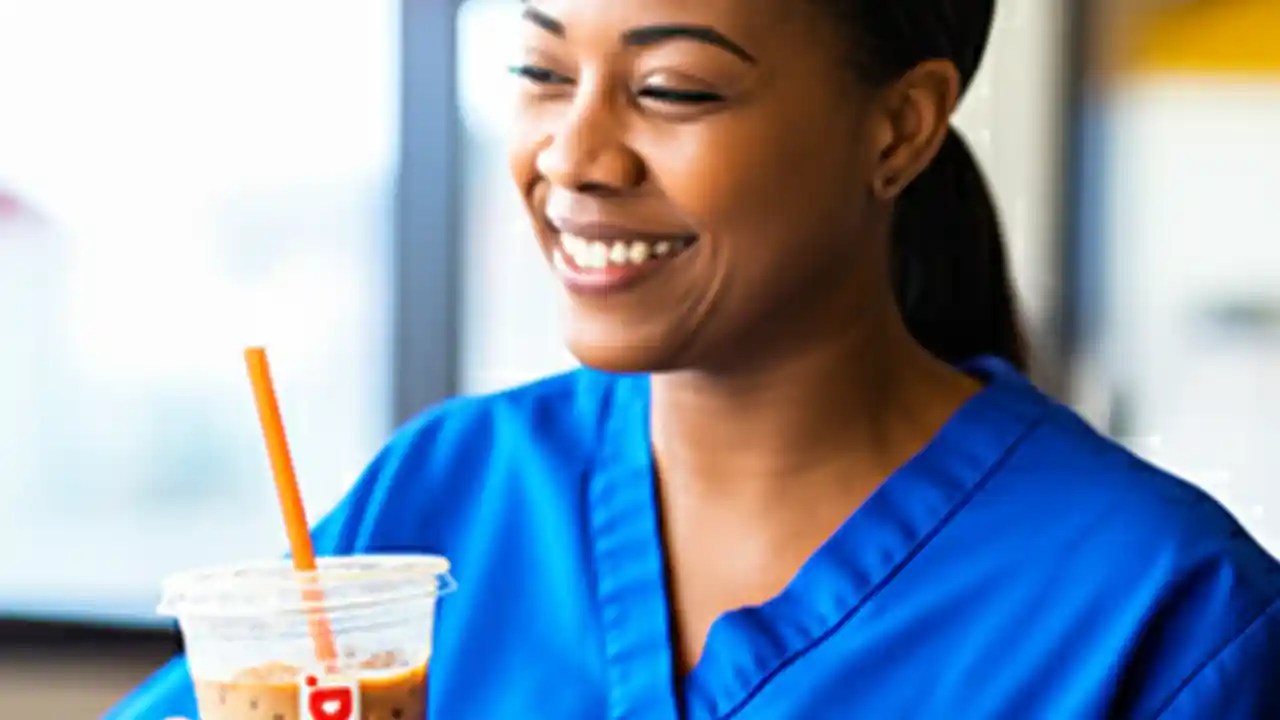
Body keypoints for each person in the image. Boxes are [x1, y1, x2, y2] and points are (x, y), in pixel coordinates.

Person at [110, 0, 1279, 718]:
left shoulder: (1161, 613)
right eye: (540, 73)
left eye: (671, 89)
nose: (573, 156)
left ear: (899, 127)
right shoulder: (445, 492)